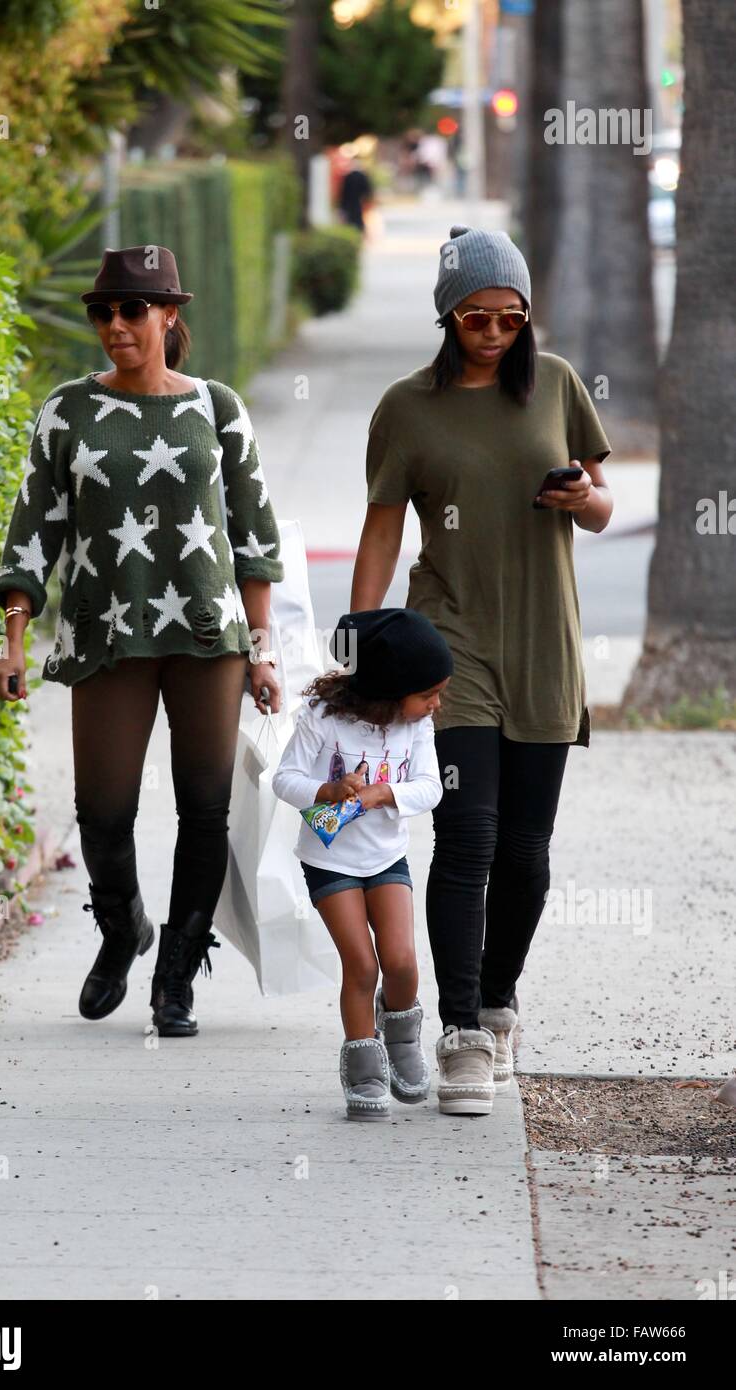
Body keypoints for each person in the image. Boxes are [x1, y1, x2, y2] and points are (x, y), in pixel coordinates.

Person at [351, 224, 613, 1117]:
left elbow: (604, 505)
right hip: (448, 641)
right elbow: (384, 524)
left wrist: (585, 496)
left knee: (527, 855)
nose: (494, 331)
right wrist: (360, 636)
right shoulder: (408, 408)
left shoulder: (560, 386)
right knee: (465, 837)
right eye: (476, 317)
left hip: (546, 641)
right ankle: (458, 1031)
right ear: (447, 317)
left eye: (509, 316)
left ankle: (499, 1004)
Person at [0, 244, 285, 1037]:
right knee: (103, 810)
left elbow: (254, 541)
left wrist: (262, 649)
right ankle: (124, 929)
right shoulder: (68, 411)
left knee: (204, 810)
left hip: (206, 635)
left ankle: (176, 977)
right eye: (102, 312)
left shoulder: (217, 409)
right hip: (104, 634)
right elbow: (32, 535)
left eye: (132, 309)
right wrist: (13, 640)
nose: (115, 325)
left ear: (169, 316)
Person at [272, 608, 452, 1120]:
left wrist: (382, 793)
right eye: (428, 693)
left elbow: (430, 787)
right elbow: (284, 778)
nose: (436, 703)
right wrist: (325, 790)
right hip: (330, 861)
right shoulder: (322, 720)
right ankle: (363, 1063)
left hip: (386, 857)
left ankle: (399, 1041)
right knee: (362, 963)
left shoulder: (416, 728)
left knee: (400, 962)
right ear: (391, 689)